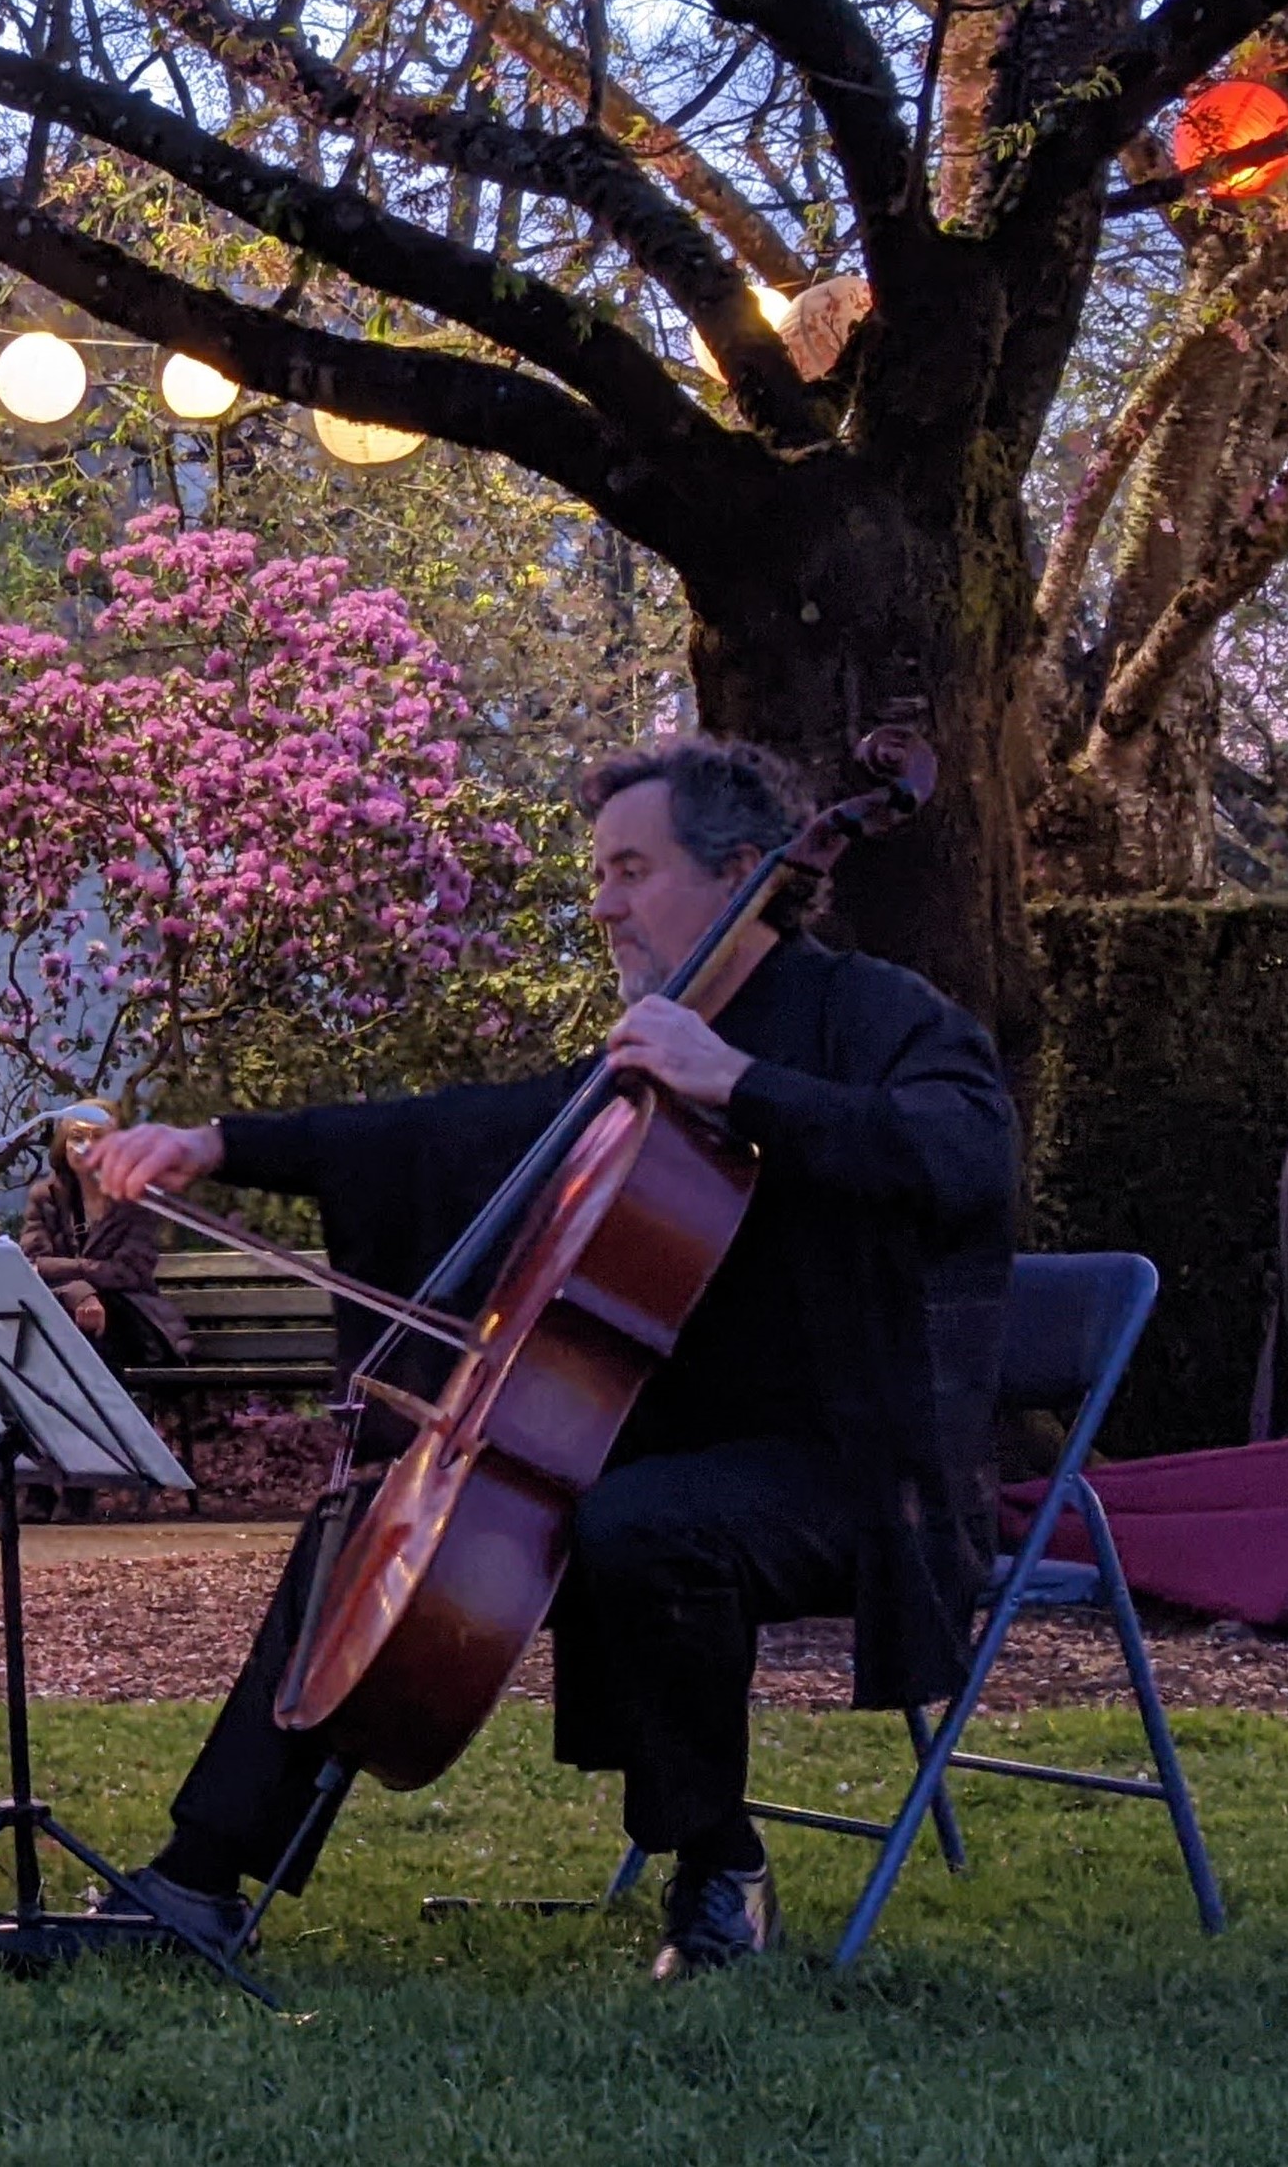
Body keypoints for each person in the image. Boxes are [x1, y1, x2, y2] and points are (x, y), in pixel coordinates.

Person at [85, 738, 1017, 1980]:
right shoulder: (646, 1053)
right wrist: (218, 1141)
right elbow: (449, 1132)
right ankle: (199, 1878)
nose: (606, 902)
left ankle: (718, 1865)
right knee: (376, 1503)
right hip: (667, 1442)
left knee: (643, 1522)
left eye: (633, 869)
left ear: (745, 870)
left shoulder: (874, 1017)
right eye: (602, 873)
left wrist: (740, 1083)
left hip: (854, 1465)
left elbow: (964, 1157)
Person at [16, 1113, 189, 1518]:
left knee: (82, 1341)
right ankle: (48, 1485)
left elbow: (131, 1271)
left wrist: (74, 1279)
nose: (85, 1145)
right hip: (66, 1314)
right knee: (44, 1348)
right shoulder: (47, 1196)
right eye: (76, 1136)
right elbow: (32, 1263)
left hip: (132, 1322)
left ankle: (76, 1485)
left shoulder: (139, 1197)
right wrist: (83, 1290)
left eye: (98, 1136)